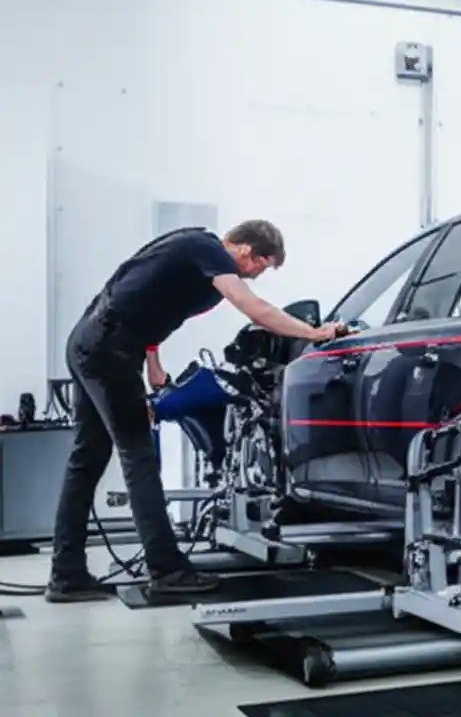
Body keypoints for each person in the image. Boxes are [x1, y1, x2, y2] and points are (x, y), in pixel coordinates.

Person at [46, 220, 345, 602]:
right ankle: (166, 570)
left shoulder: (196, 258)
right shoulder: (209, 251)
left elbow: (149, 299)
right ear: (248, 252)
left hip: (94, 342)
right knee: (138, 455)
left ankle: (65, 574)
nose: (255, 276)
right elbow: (254, 309)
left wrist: (152, 365)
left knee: (87, 460)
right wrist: (315, 333)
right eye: (262, 267)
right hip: (107, 350)